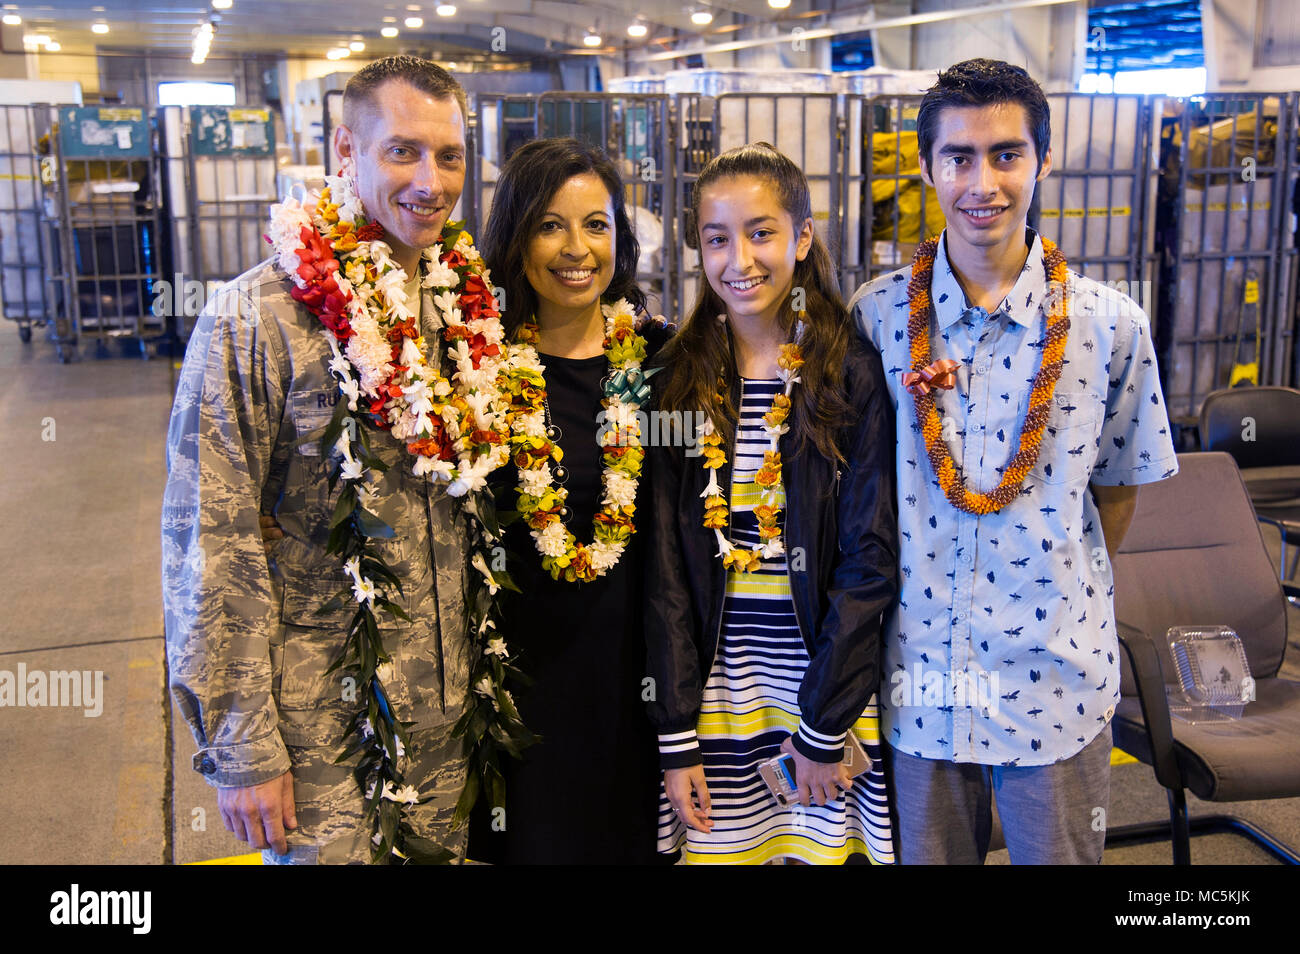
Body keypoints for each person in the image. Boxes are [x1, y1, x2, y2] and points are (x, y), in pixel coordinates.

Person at [848, 58, 1179, 864]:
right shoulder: (877, 317)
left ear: (1043, 161)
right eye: (959, 157)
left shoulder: (1112, 327)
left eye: (1007, 154)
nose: (982, 181)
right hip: (920, 679)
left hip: (1053, 682)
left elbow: (1116, 494)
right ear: (928, 168)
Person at [162, 55, 481, 864]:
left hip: (447, 725)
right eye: (402, 150)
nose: (431, 181)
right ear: (346, 147)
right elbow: (212, 540)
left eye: (450, 156)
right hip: (319, 735)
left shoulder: (463, 314)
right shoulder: (256, 318)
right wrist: (243, 749)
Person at [646, 142, 898, 864]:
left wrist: (822, 726)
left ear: (803, 237)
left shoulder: (847, 371)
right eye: (717, 238)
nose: (739, 260)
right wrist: (674, 733)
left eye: (762, 233)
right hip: (719, 703)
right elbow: (666, 571)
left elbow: (869, 557)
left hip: (822, 696)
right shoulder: (680, 378)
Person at [464, 138, 672, 864]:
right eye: (550, 224)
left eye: (596, 224)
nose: (576, 248)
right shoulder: (473, 367)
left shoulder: (662, 362)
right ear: (515, 235)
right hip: (521, 697)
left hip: (638, 697)